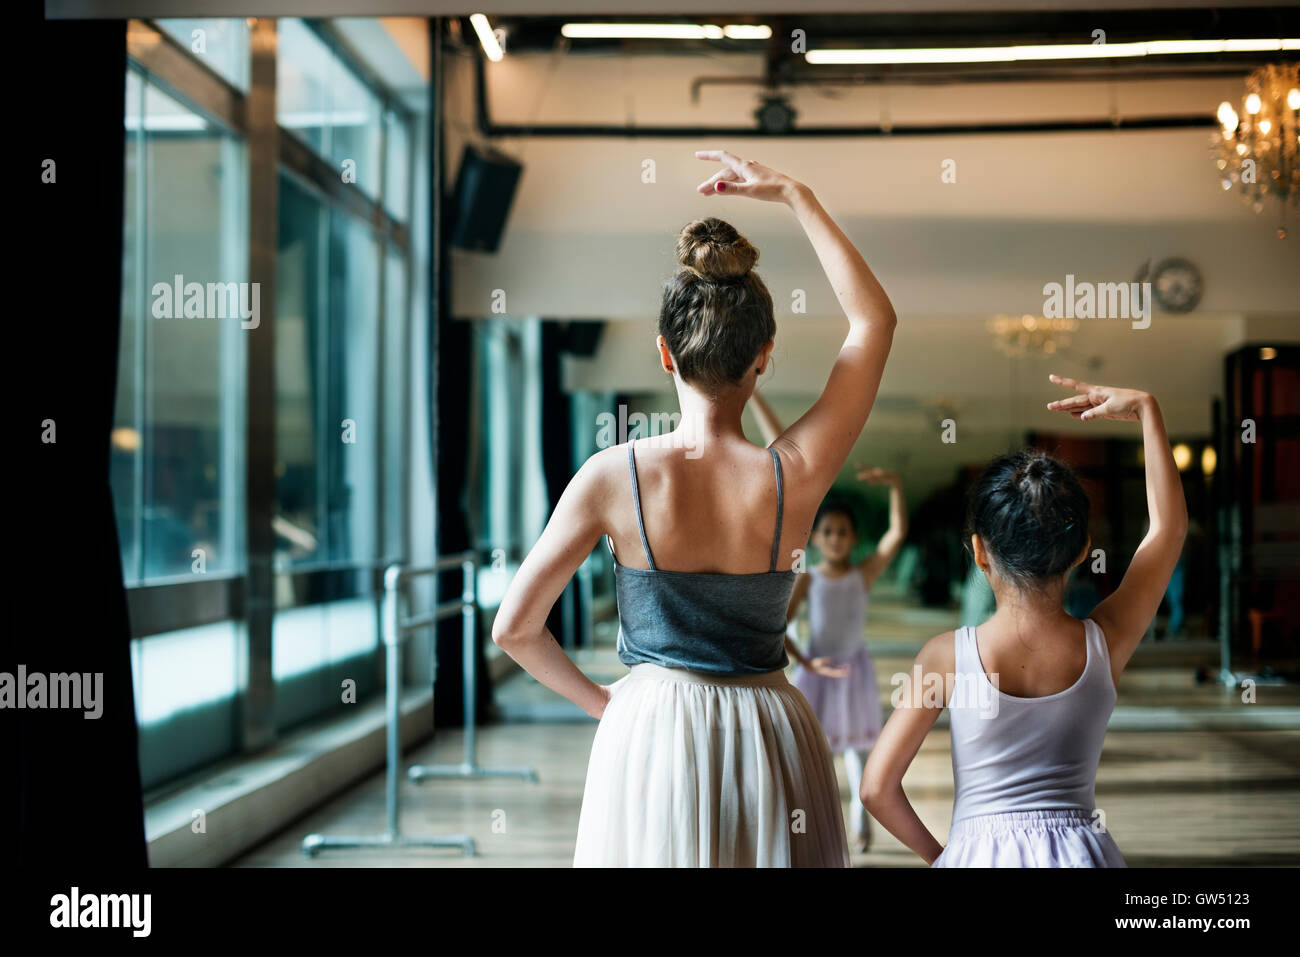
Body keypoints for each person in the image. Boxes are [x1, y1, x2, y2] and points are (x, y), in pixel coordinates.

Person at [491, 149, 897, 866]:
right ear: (763, 355)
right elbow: (874, 322)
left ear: (664, 355)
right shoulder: (795, 474)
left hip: (652, 726)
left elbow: (516, 628)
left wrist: (610, 706)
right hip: (773, 727)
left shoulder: (609, 476)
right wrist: (797, 195)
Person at [861, 376, 1187, 867]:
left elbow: (875, 788)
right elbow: (1168, 530)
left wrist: (946, 856)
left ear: (978, 552)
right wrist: (1146, 410)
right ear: (1082, 551)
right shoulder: (1104, 644)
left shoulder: (947, 658)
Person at [749, 390, 906, 852]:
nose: (836, 538)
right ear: (817, 539)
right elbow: (780, 625)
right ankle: (808, 827)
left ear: (853, 538)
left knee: (858, 749)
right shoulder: (808, 578)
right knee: (811, 752)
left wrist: (895, 484)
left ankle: (861, 818)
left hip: (853, 669)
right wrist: (805, 662)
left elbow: (896, 535)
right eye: (828, 532)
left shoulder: (862, 574)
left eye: (843, 532)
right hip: (817, 670)